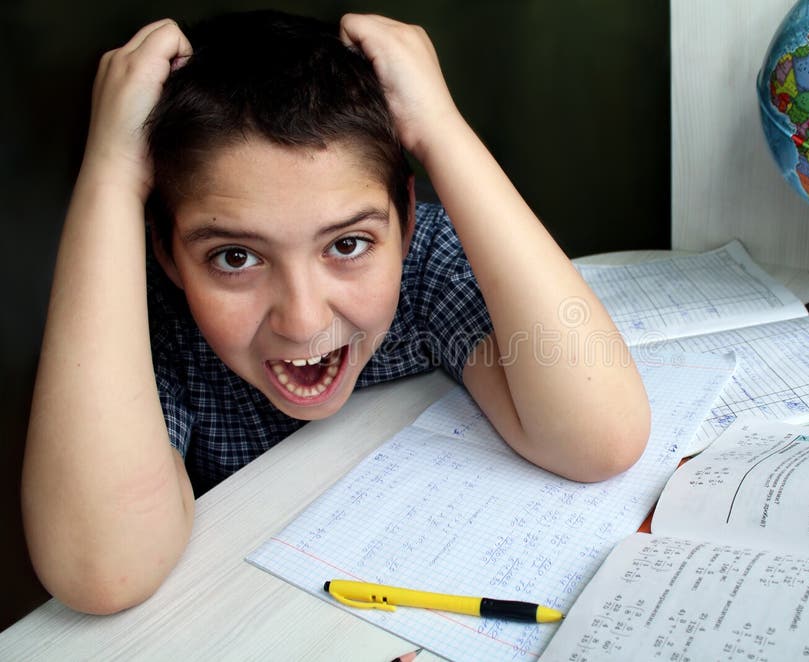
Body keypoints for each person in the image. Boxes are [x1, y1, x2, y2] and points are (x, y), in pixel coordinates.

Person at [22, 10, 650, 615]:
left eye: (346, 245)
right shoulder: (157, 325)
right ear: (166, 252)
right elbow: (103, 570)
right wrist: (110, 173)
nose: (301, 319)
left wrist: (440, 128)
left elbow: (600, 437)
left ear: (404, 221)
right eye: (236, 257)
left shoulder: (422, 267)